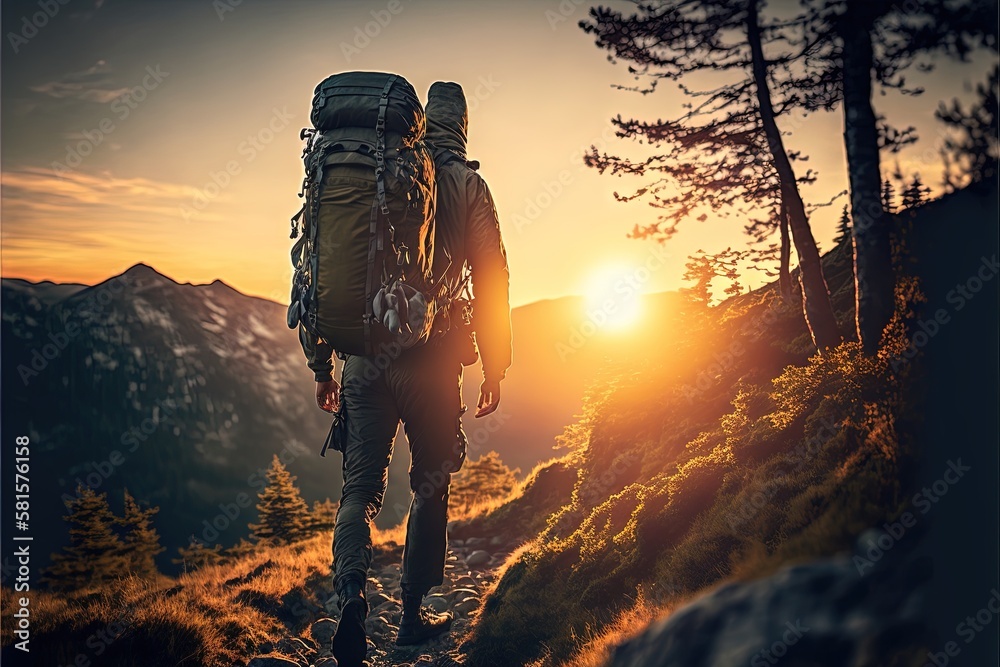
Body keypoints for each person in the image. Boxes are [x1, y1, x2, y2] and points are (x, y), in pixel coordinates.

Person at [304, 80, 512, 666]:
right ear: (462, 125)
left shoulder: (389, 169)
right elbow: (492, 278)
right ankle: (413, 613)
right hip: (434, 359)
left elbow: (321, 263)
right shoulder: (468, 186)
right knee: (429, 480)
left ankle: (350, 598)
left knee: (360, 490)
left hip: (365, 358)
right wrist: (496, 362)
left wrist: (323, 366)